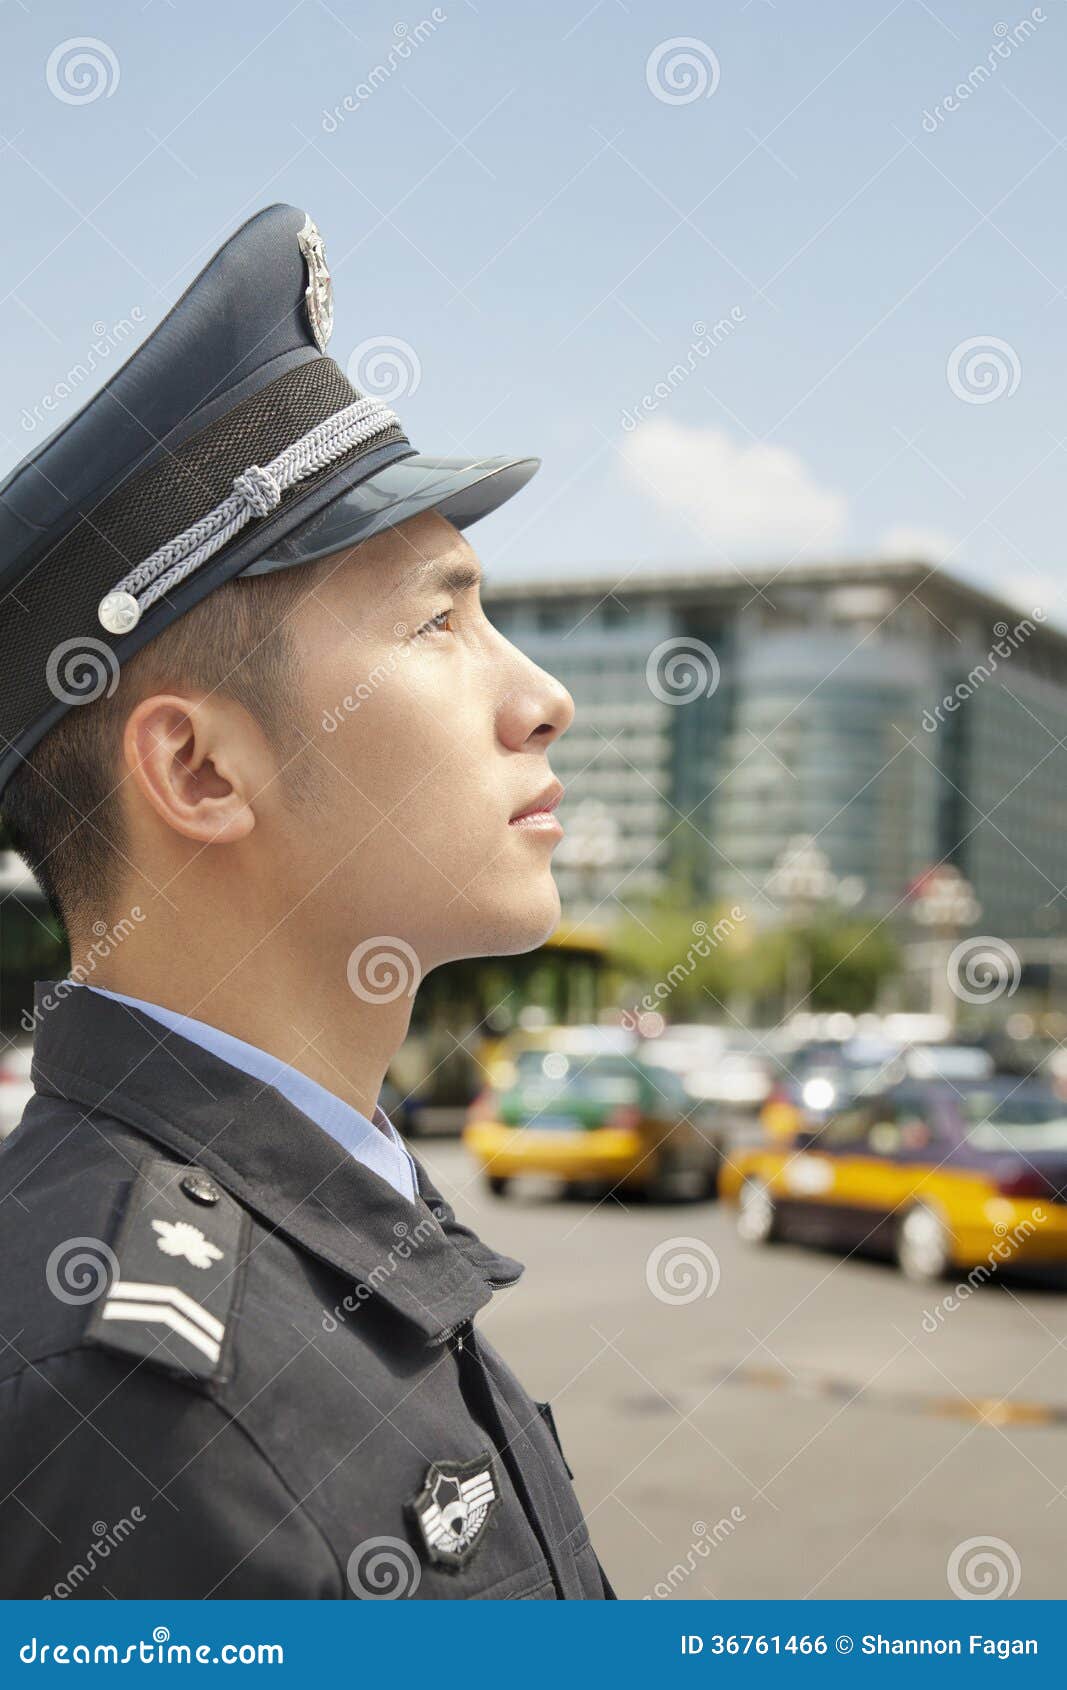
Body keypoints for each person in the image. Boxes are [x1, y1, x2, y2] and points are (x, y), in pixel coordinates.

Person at [0, 204, 613, 1600]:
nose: (544, 699)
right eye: (439, 619)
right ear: (203, 766)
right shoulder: (142, 1404)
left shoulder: (305, 1230)